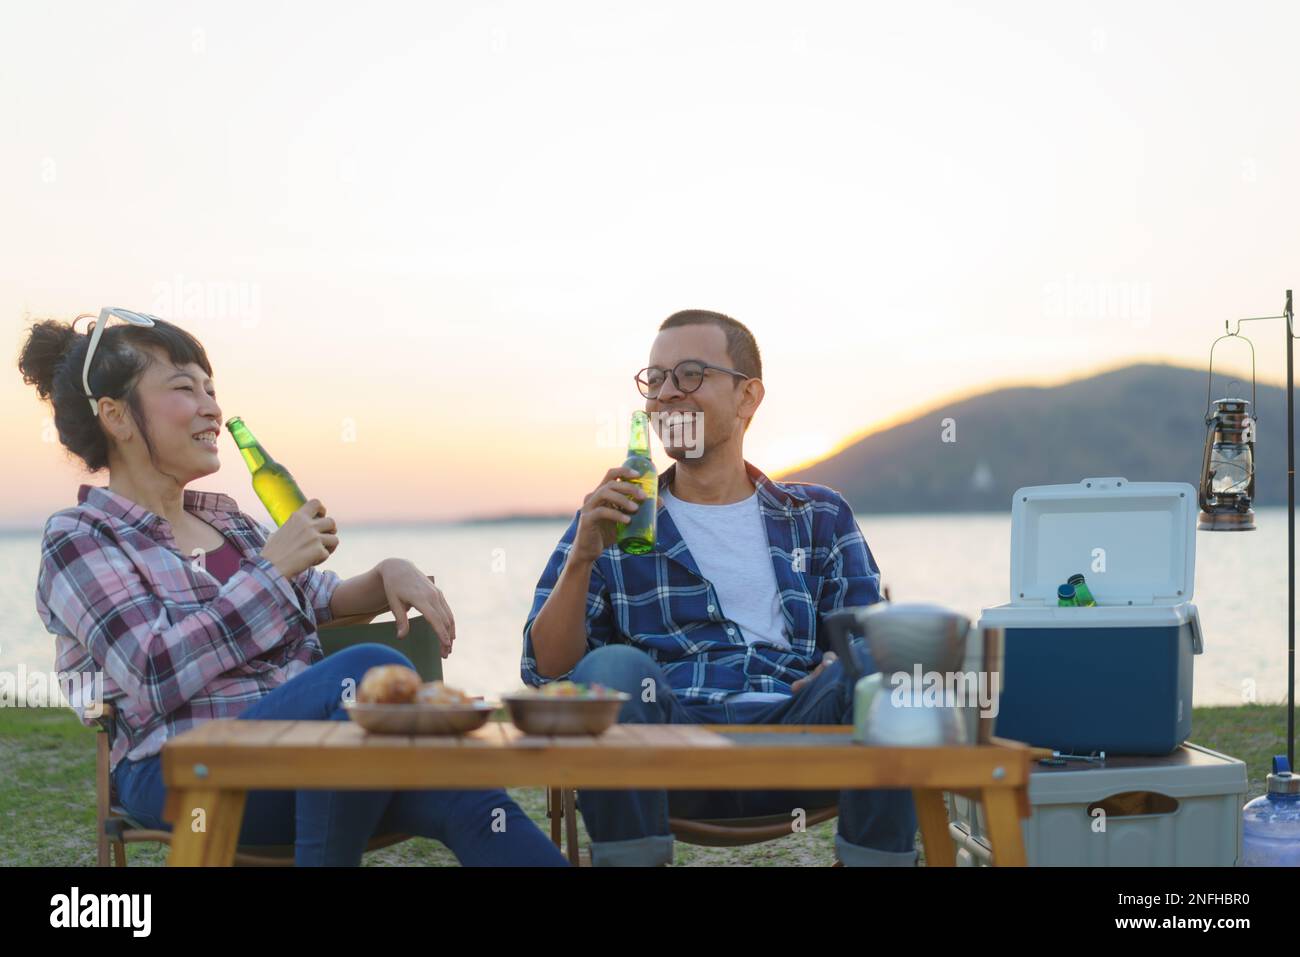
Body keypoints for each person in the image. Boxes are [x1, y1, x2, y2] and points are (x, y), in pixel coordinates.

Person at [20, 311, 566, 866]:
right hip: (180, 770)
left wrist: (384, 576)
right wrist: (270, 570)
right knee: (368, 670)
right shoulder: (81, 537)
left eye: (211, 388)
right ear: (115, 416)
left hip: (310, 753)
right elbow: (151, 671)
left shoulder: (229, 524)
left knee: (465, 785)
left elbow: (315, 596)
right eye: (185, 388)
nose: (212, 406)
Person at [522, 309, 916, 866]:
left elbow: (869, 638)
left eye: (689, 374)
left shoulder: (818, 515)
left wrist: (842, 665)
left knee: (882, 668)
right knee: (610, 670)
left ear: (747, 397)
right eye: (654, 379)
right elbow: (549, 673)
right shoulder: (615, 519)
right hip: (669, 750)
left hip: (799, 740)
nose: (666, 395)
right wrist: (583, 558)